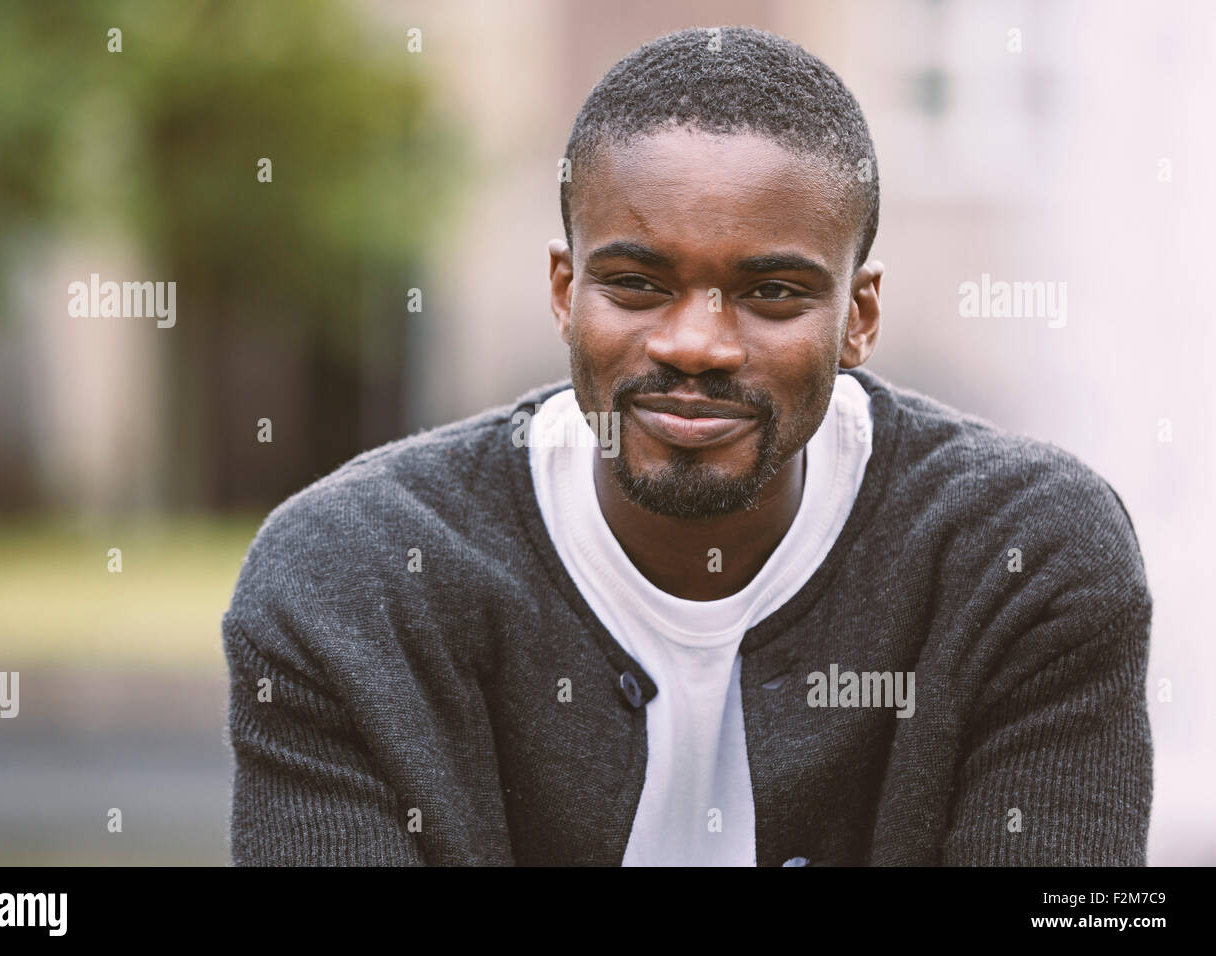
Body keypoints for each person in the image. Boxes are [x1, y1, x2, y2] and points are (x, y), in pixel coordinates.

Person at [222, 25, 1152, 866]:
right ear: (563, 291)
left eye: (774, 293)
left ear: (859, 317)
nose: (697, 345)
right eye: (634, 283)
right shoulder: (349, 584)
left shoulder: (1026, 560)